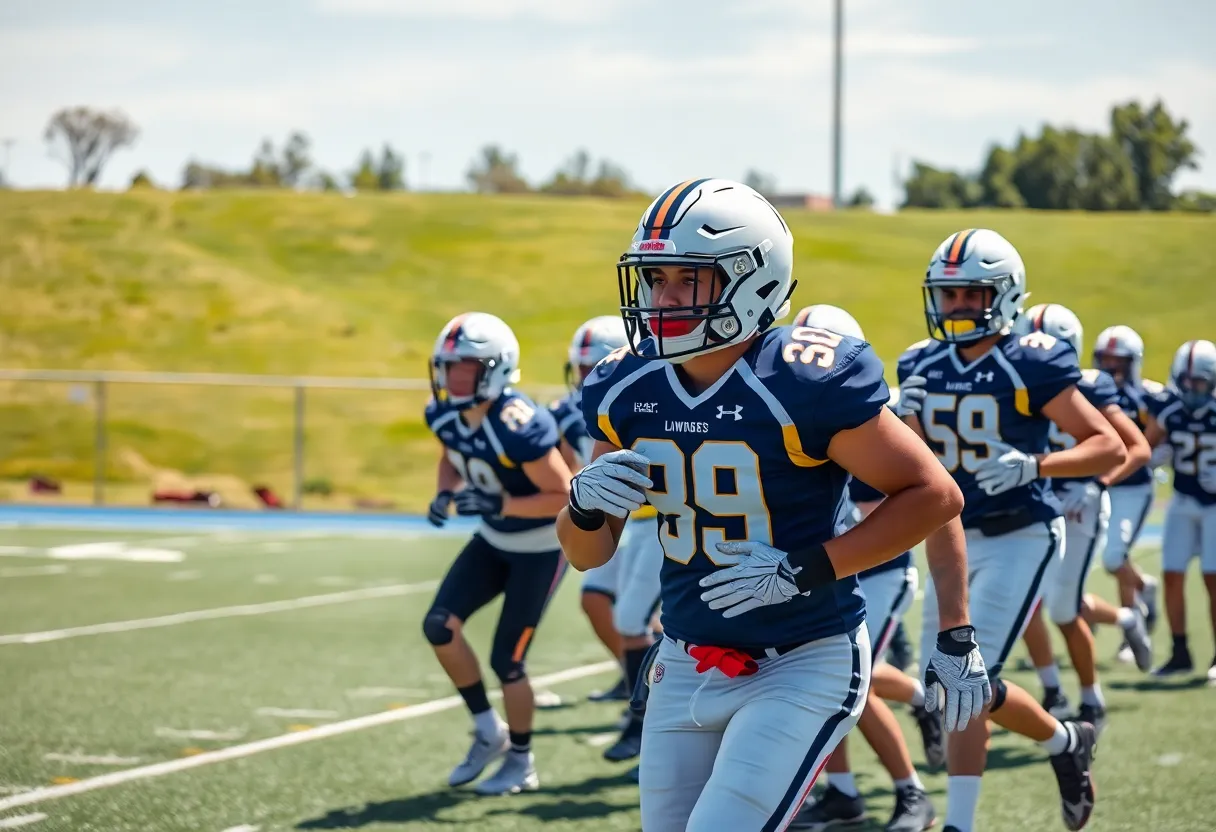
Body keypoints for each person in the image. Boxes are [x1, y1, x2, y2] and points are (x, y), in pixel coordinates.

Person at [556, 178, 980, 831]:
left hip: (804, 655)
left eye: (687, 280)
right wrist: (581, 505)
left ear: (750, 280)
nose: (662, 298)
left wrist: (801, 569)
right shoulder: (624, 385)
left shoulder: (802, 378)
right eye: (655, 277)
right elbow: (588, 555)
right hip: (686, 655)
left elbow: (934, 494)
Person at [897, 229, 1127, 832]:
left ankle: (960, 824)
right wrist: (905, 417)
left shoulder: (1030, 358)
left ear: (1005, 294)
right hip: (951, 536)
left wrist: (1037, 464)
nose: (957, 308)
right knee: (943, 687)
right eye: (949, 296)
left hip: (1022, 530)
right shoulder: (919, 363)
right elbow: (918, 465)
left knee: (964, 681)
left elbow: (1107, 445)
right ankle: (1063, 741)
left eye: (972, 294)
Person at [786, 305, 937, 832]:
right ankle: (844, 793)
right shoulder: (782, 409)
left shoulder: (871, 415)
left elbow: (909, 504)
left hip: (878, 568)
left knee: (857, 684)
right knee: (823, 685)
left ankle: (911, 791)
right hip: (829, 569)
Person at [421, 311, 573, 795]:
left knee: (508, 660)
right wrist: (446, 492)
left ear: (496, 369)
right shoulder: (445, 412)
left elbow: (566, 494)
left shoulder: (518, 423)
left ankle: (522, 761)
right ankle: (489, 731)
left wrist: (501, 501)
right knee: (439, 626)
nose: (453, 378)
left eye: (466, 368)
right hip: (493, 540)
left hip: (541, 548)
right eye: (449, 368)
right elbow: (451, 454)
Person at [1014, 304, 1153, 734]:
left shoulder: (1091, 386)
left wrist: (1097, 484)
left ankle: (1091, 697)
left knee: (1061, 607)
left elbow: (1137, 448)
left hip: (1078, 504)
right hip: (1036, 503)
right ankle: (1055, 689)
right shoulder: (1009, 382)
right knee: (1028, 604)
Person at [552, 315, 631, 702]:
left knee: (641, 616)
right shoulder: (567, 412)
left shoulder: (641, 401)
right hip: (607, 518)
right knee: (596, 598)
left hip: (653, 521)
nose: (586, 376)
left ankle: (646, 684)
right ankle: (634, 675)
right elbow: (561, 464)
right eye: (581, 368)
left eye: (594, 367)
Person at [1145, 339, 1216, 680]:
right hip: (1183, 501)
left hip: (1215, 507)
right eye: (1185, 381)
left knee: (1213, 578)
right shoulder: (1170, 412)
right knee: (1172, 575)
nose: (1191, 389)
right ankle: (1180, 651)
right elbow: (1145, 447)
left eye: (1199, 381)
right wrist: (1156, 457)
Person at [1091, 325, 1162, 651]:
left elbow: (1159, 440)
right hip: (1098, 487)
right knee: (1105, 557)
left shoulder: (1149, 396)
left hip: (1132, 487)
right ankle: (1141, 591)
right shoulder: (1089, 390)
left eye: (1118, 361)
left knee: (1114, 556)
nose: (1111, 368)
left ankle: (1131, 626)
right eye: (1105, 360)